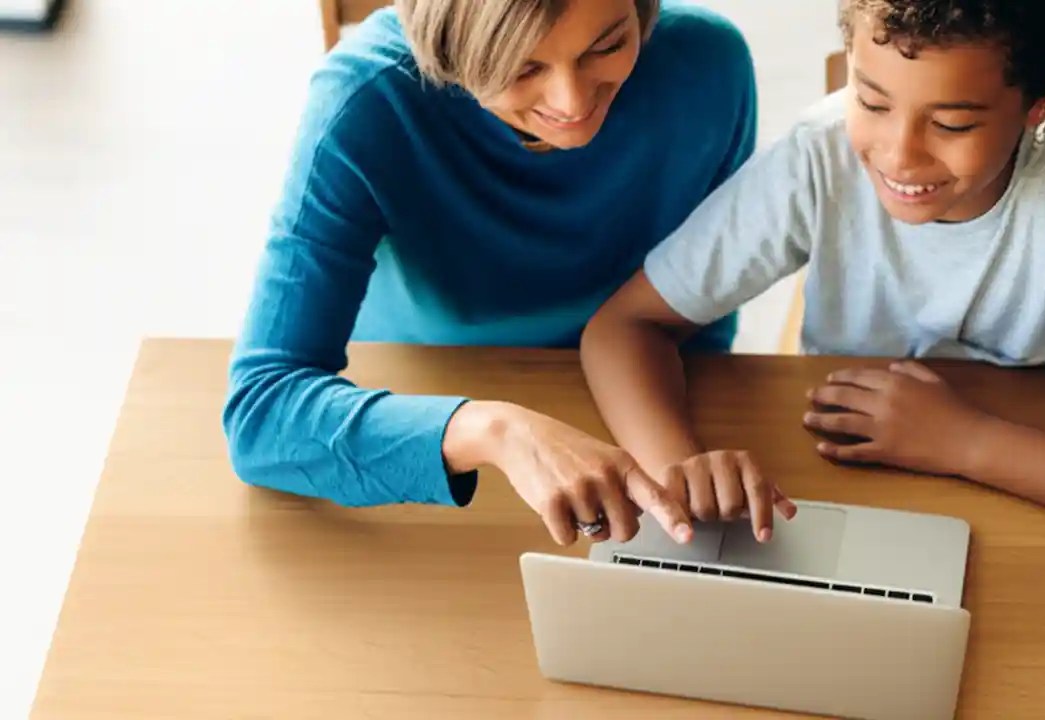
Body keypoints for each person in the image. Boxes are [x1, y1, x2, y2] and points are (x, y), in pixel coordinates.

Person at [580, 0, 1045, 548]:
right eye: (871, 102)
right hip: (845, 477)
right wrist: (678, 466)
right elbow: (624, 327)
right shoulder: (819, 156)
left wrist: (964, 441)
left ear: (1044, 99)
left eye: (952, 123)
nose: (898, 157)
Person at [221, 0, 762, 548]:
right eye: (522, 68)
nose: (572, 103)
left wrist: (677, 466)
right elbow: (262, 412)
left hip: (650, 414)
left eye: (608, 46)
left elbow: (700, 322)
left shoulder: (708, 67)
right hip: (418, 430)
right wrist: (497, 432)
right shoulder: (365, 99)